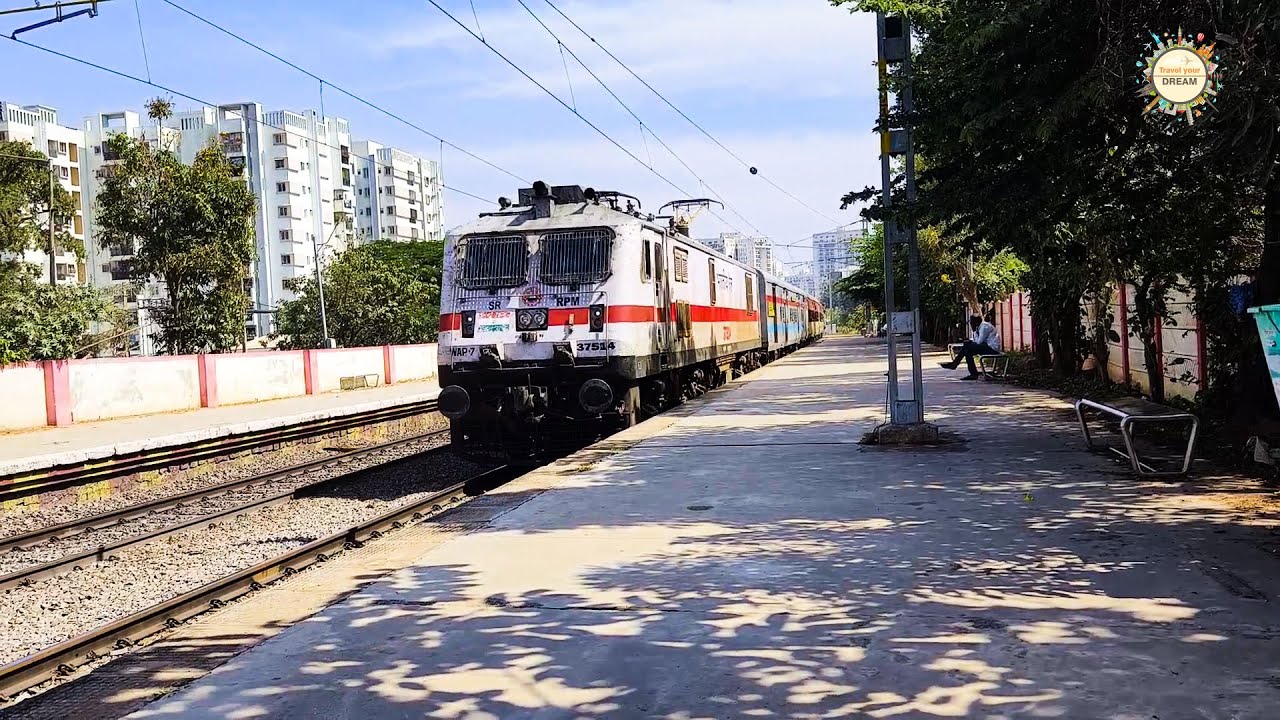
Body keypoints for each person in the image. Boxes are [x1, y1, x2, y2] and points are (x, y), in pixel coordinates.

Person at [940, 314, 1001, 379]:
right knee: (967, 351)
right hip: (986, 347)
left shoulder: (985, 327)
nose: (970, 324)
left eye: (971, 322)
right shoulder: (979, 327)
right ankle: (973, 373)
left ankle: (955, 364)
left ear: (976, 322)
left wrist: (974, 332)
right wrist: (969, 340)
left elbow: (979, 342)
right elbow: (974, 340)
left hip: (992, 348)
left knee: (967, 346)